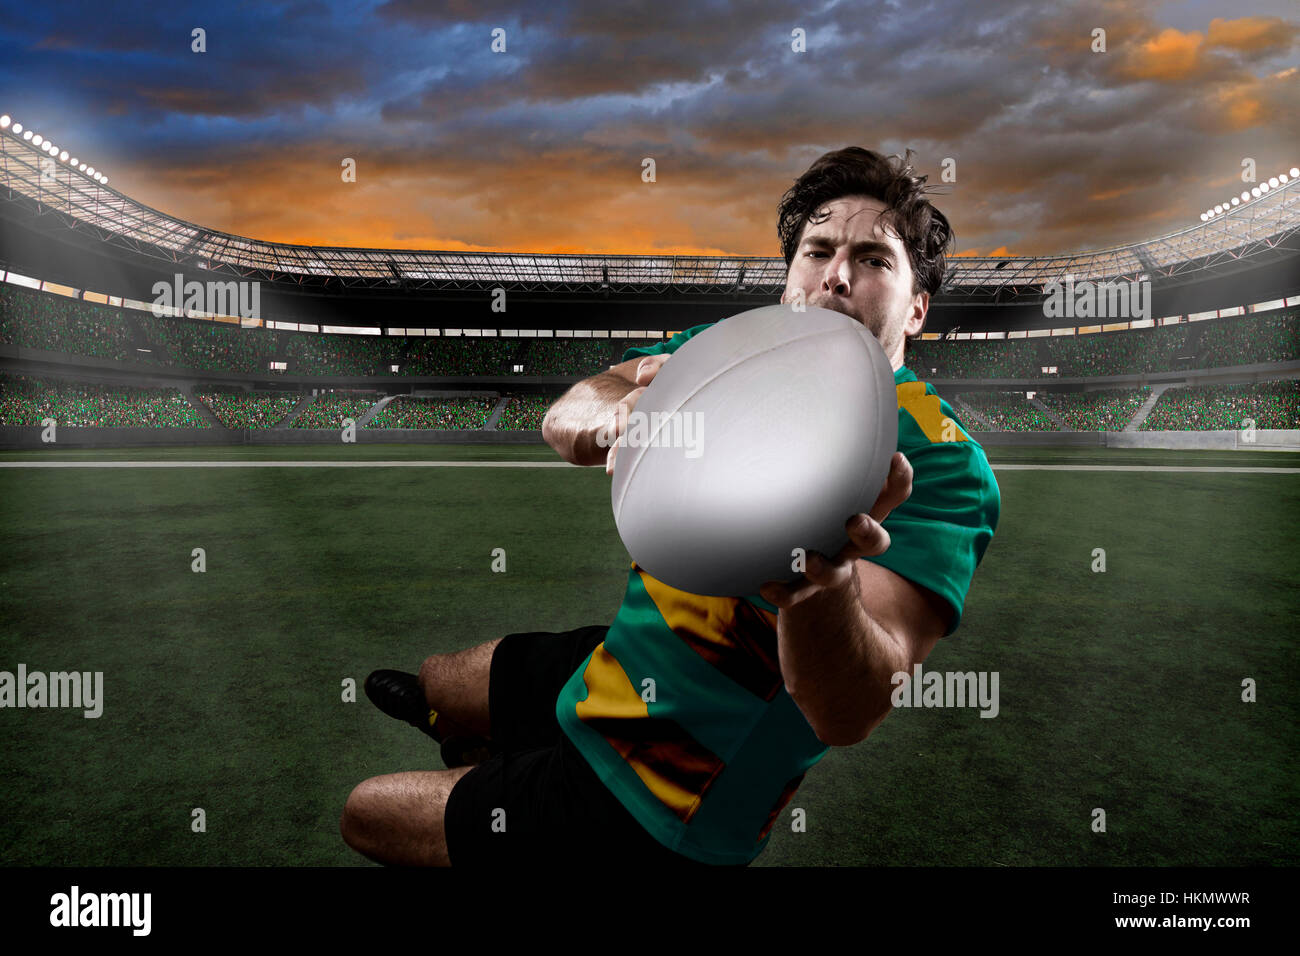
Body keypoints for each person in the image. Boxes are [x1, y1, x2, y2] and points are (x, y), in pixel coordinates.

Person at [340, 146, 1001, 867]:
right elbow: (577, 405)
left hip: (668, 788)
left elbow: (850, 709)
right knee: (443, 677)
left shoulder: (942, 462)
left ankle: (496, 784)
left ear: (916, 309)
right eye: (818, 250)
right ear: (789, 282)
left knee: (364, 813)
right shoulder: (734, 357)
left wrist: (820, 586)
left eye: (875, 260)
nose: (837, 276)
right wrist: (613, 416)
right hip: (622, 660)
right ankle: (481, 748)